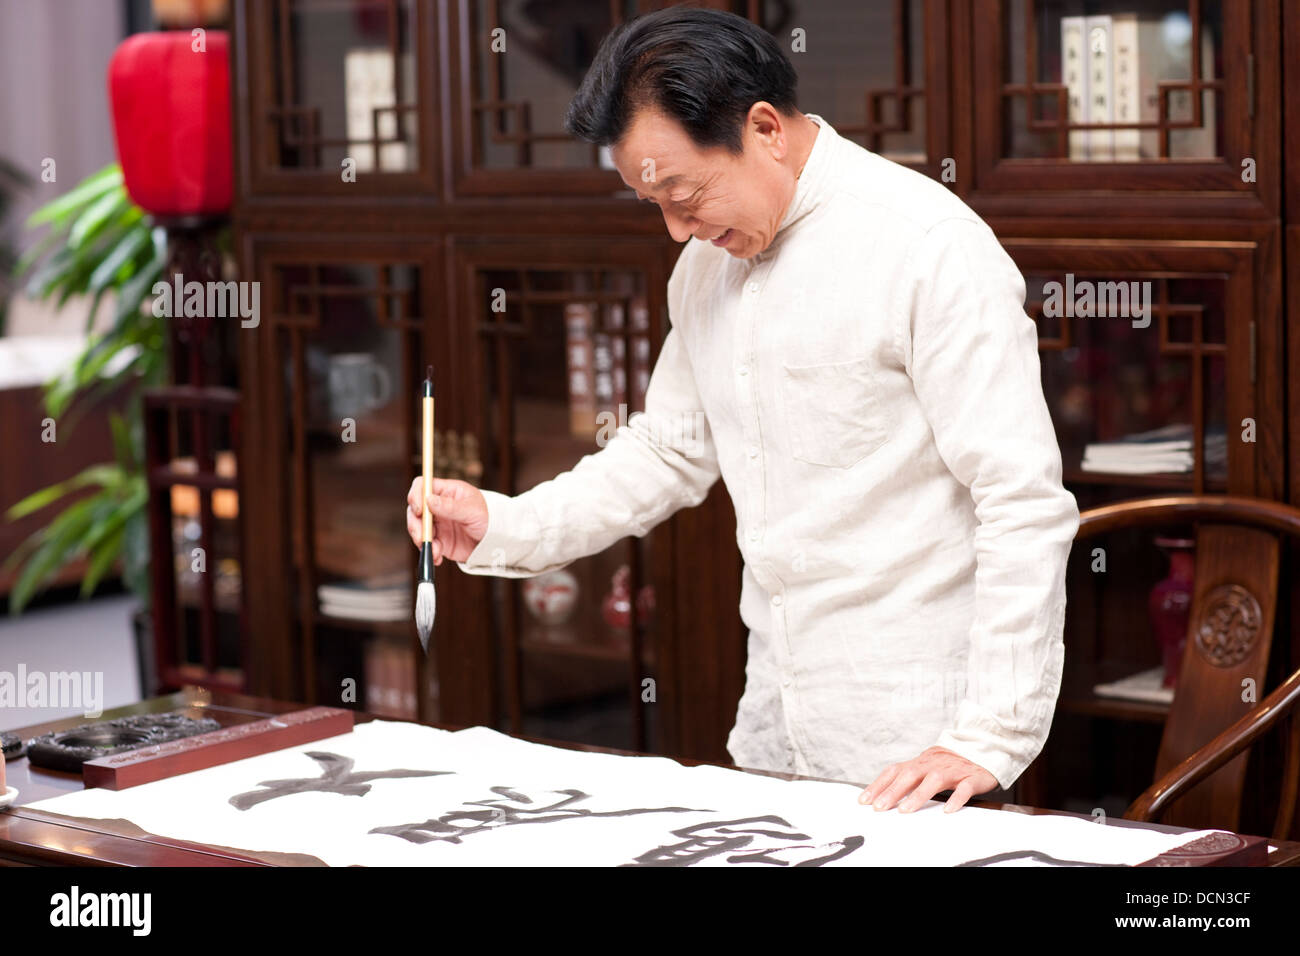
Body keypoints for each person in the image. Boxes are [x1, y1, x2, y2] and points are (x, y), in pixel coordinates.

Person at [406, 7, 1079, 813]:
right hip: (775, 719)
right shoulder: (705, 268)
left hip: (924, 740)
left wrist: (988, 736)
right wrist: (505, 524)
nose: (677, 229)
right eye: (651, 203)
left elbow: (1021, 501)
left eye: (685, 193)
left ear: (764, 129)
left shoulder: (926, 246)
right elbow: (668, 449)